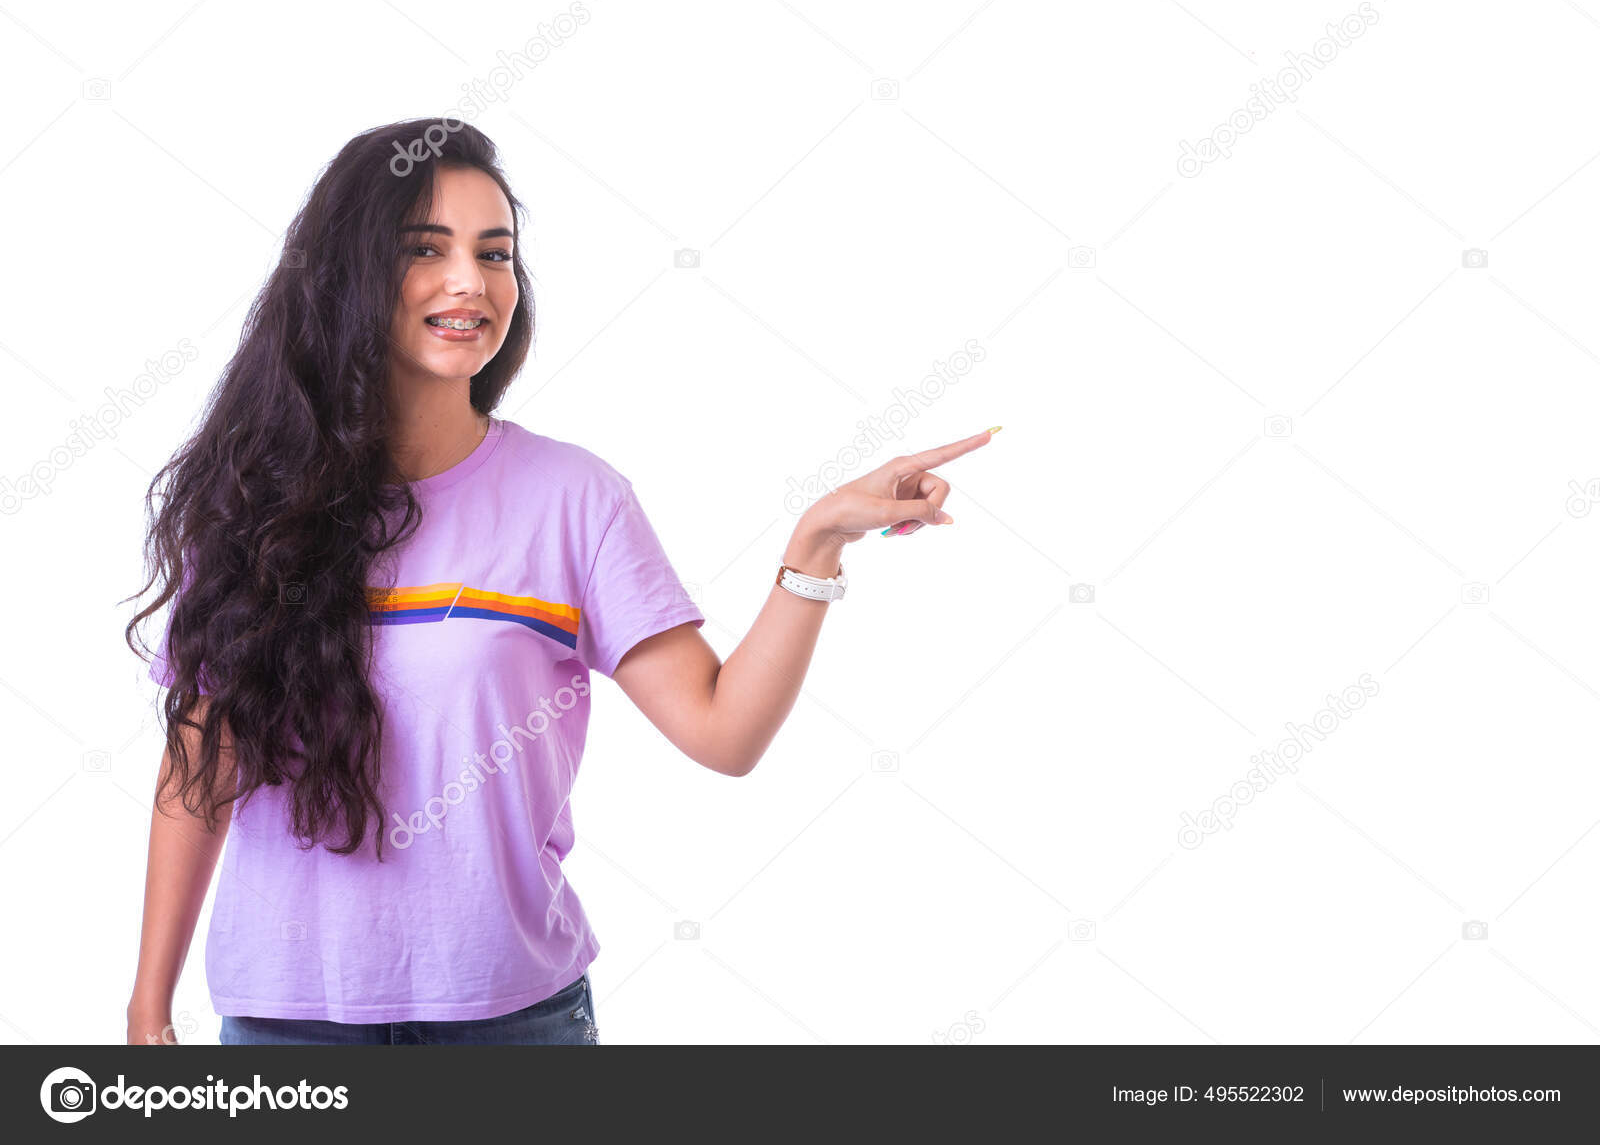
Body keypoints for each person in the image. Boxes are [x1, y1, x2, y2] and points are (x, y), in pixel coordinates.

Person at [124, 117, 994, 1046]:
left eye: (493, 254)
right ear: (346, 275)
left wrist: (816, 544)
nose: (471, 282)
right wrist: (148, 1001)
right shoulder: (256, 500)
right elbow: (198, 768)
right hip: (287, 1022)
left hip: (512, 1024)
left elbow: (724, 732)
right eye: (427, 249)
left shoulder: (573, 498)